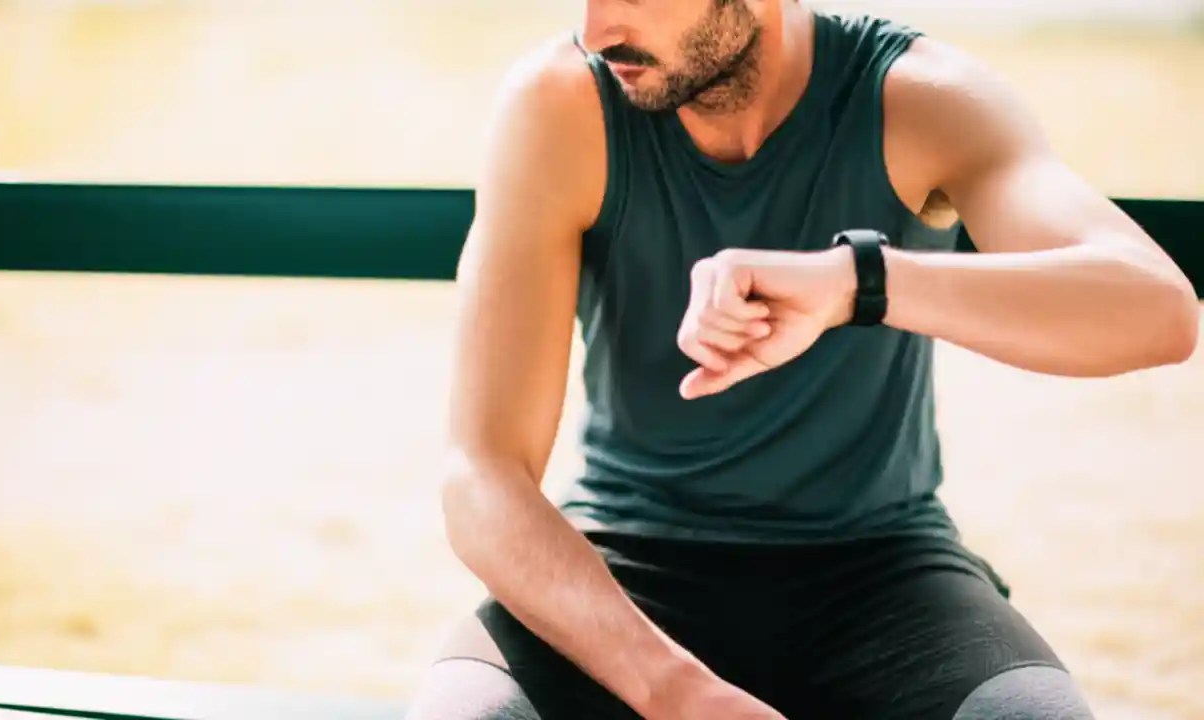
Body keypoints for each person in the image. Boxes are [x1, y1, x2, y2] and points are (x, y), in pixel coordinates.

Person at [406, 1, 1199, 718]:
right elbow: (480, 475)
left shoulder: (919, 96)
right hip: (625, 560)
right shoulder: (561, 105)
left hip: (884, 570)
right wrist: (673, 689)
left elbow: (1157, 310)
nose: (595, 28)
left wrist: (858, 282)